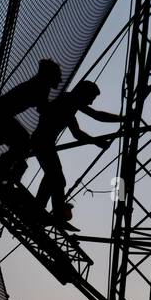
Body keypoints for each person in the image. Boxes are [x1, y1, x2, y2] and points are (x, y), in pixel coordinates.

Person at [29, 81, 122, 223]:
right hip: (42, 142)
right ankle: (48, 211)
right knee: (56, 178)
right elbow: (81, 130)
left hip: (43, 142)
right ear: (83, 93)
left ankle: (41, 208)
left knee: (54, 177)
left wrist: (122, 120)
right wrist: (96, 141)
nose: (90, 103)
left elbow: (95, 116)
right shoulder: (67, 103)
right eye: (91, 98)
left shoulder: (70, 102)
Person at [0, 58, 62, 180]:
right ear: (49, 76)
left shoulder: (38, 85)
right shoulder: (41, 87)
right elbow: (43, 109)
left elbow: (43, 108)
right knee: (23, 144)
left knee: (22, 148)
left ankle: (0, 171)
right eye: (57, 76)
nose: (60, 80)